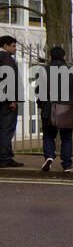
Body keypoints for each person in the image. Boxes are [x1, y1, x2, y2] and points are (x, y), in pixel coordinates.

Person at [37, 46, 73, 173]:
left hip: (48, 108)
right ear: (64, 57)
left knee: (48, 135)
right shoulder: (72, 71)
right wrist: (72, 103)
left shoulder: (43, 71)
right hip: (66, 109)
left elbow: (39, 91)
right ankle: (67, 164)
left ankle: (49, 156)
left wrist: (42, 105)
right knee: (66, 137)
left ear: (50, 57)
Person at [0, 36, 21, 168]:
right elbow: (9, 79)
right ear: (5, 46)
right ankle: (5, 158)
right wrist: (12, 99)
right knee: (6, 129)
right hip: (6, 100)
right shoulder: (6, 59)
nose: (15, 48)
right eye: (13, 46)